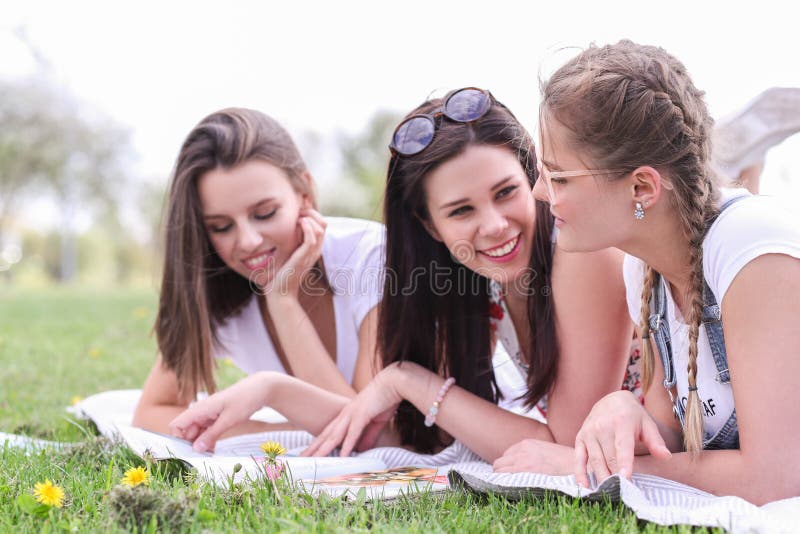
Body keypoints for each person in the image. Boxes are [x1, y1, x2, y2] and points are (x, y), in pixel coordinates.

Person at [170, 88, 634, 462]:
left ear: (532, 175)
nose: (494, 225)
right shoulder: (476, 280)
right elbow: (407, 435)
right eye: (461, 210)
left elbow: (566, 445)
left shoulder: (580, 252)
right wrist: (271, 389)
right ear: (430, 226)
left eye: (505, 192)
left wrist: (409, 381)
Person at [494, 41, 800, 505]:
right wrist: (622, 409)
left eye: (558, 178)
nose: (538, 192)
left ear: (642, 187)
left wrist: (582, 467)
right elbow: (673, 438)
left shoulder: (750, 250)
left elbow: (776, 479)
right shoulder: (645, 270)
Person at [132, 108, 385, 436]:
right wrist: (272, 430)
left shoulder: (370, 256)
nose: (248, 242)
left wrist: (282, 301)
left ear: (304, 194)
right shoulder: (216, 288)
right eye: (221, 227)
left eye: (265, 213)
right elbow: (151, 412)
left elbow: (365, 432)